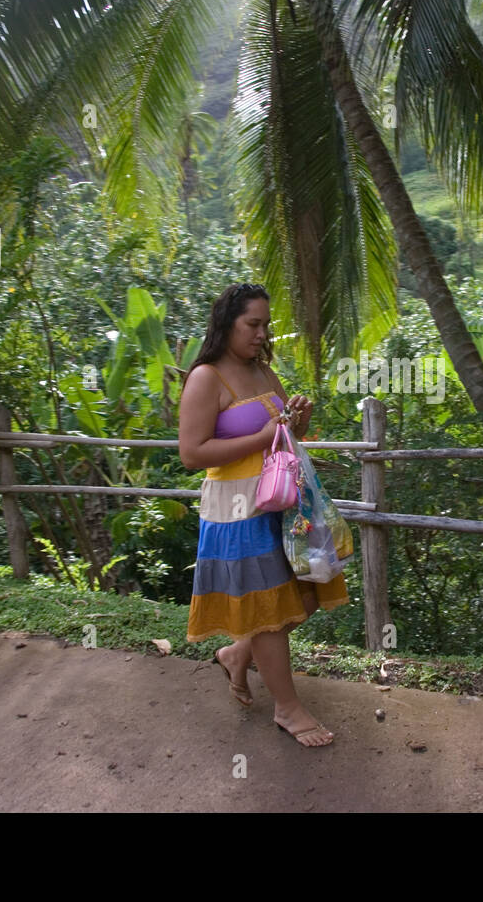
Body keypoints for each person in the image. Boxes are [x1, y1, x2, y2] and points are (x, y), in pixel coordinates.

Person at [177, 282, 349, 747]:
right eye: (252, 324)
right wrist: (263, 435)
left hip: (283, 502)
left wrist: (300, 419)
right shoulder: (207, 377)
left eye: (265, 325)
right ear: (227, 323)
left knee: (305, 596)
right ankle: (288, 709)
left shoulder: (264, 371)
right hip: (236, 510)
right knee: (268, 610)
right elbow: (192, 453)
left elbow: (284, 437)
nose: (261, 333)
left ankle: (237, 654)